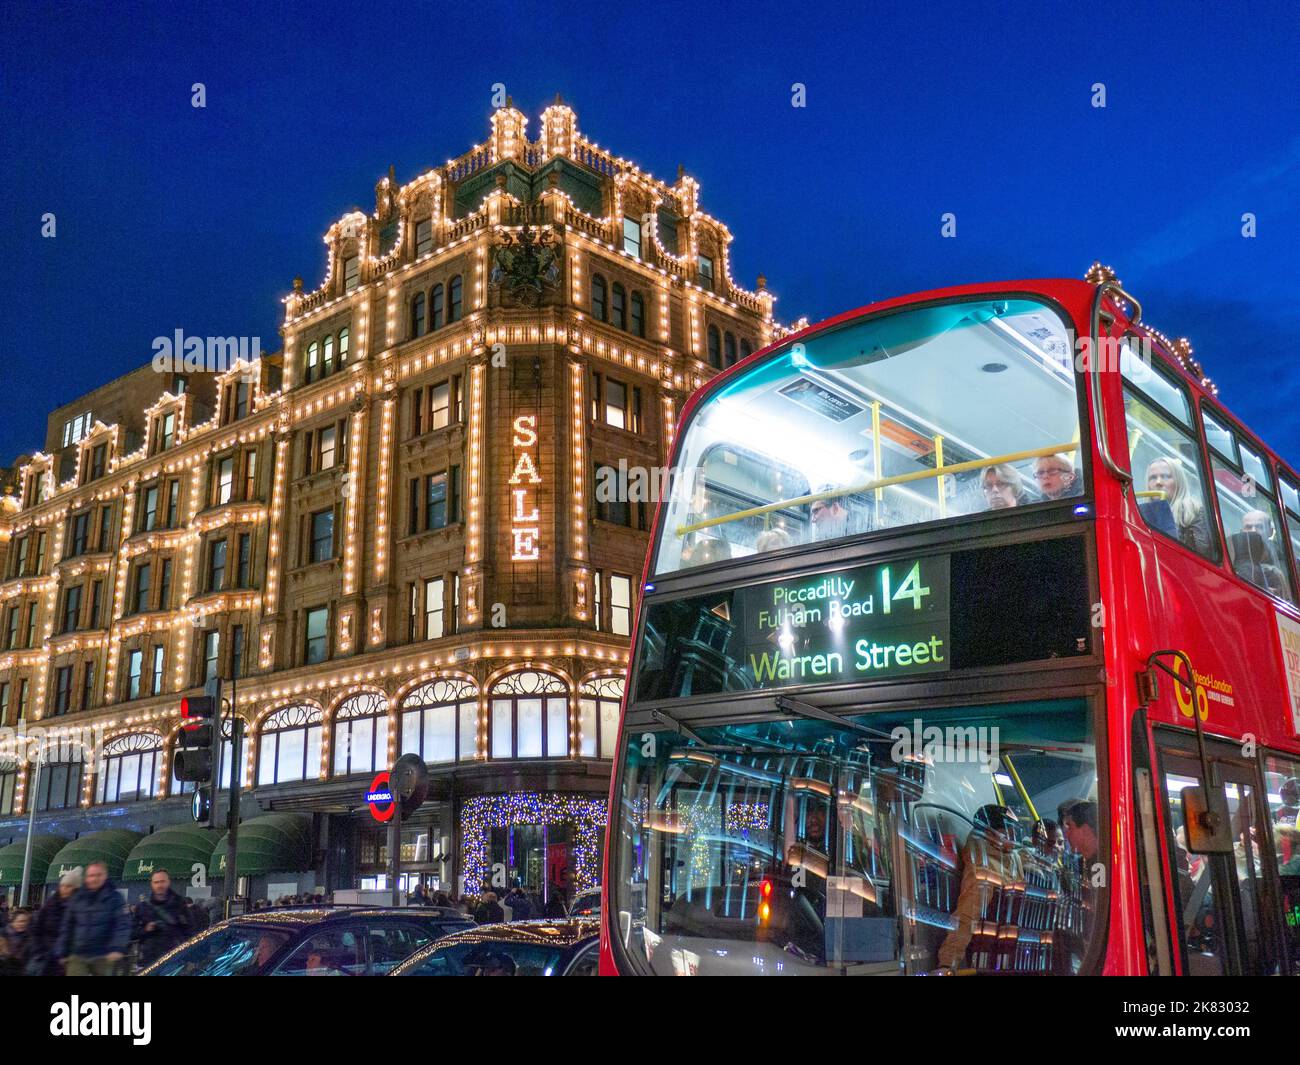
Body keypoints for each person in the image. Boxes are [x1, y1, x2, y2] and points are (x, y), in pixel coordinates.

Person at [935, 805, 1025, 972]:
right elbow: (966, 917)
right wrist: (948, 963)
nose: (1013, 836)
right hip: (986, 955)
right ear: (990, 832)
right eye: (1008, 830)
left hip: (1009, 954)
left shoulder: (1012, 858)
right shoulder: (982, 863)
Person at [55, 860, 133, 976]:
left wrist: (117, 947)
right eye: (91, 875)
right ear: (86, 877)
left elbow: (122, 925)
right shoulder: (77, 898)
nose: (94, 879)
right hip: (78, 953)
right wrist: (62, 950)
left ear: (105, 876)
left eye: (98, 875)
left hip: (104, 954)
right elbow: (67, 926)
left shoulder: (115, 898)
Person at [1143, 459, 1211, 553]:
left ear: (1178, 481)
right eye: (1153, 477)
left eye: (1165, 476)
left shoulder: (1194, 511)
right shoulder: (1142, 513)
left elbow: (1202, 552)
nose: (1158, 482)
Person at [133, 869, 193, 968]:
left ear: (168, 882)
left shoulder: (179, 904)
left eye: (162, 881)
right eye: (156, 882)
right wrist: (146, 929)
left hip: (173, 961)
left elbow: (189, 930)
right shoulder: (143, 907)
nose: (159, 885)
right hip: (148, 961)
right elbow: (132, 932)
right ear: (151, 884)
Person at [28, 869, 81, 975]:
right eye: (62, 885)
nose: (64, 889)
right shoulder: (50, 905)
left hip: (67, 959)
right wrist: (38, 950)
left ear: (76, 888)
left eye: (68, 886)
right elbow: (36, 928)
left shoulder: (81, 907)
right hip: (45, 955)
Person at [0, 909, 31, 976]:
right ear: (13, 921)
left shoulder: (29, 936)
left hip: (21, 970)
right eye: (21, 921)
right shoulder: (3, 934)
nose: (24, 924)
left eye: (26, 921)